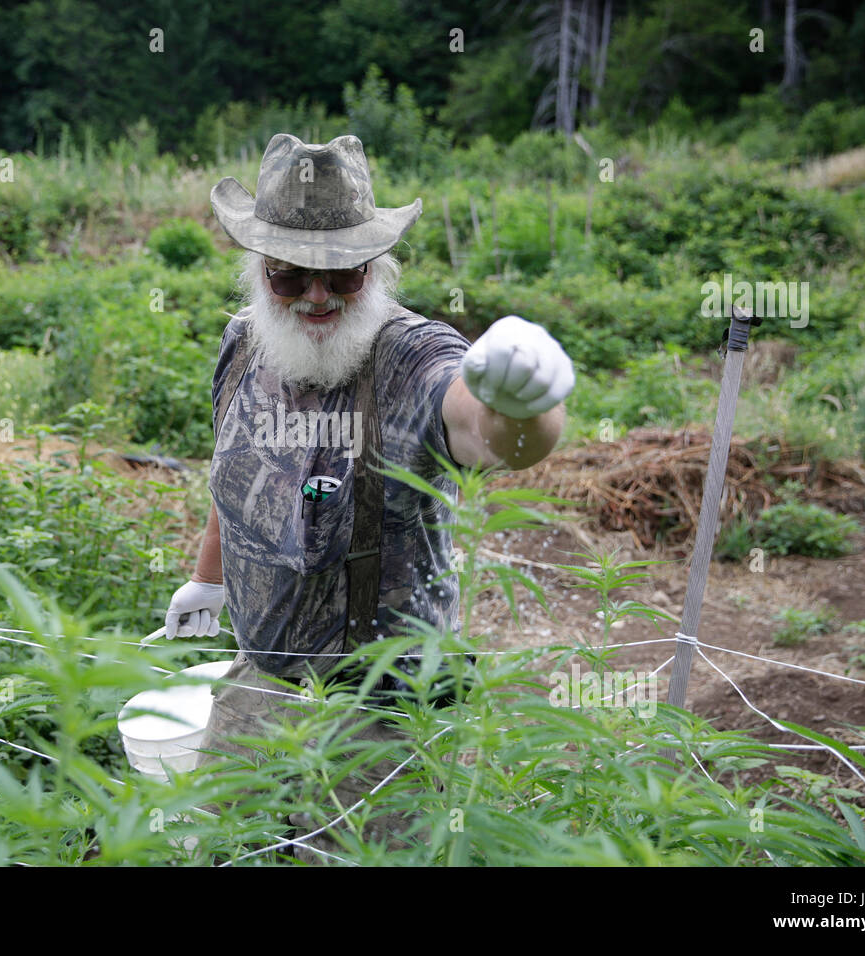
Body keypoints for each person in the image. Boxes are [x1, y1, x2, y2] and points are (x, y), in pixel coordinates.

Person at [164, 133, 574, 862]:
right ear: (259, 273)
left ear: (376, 270)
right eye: (290, 277)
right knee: (223, 850)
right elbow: (239, 470)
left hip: (380, 713)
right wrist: (209, 576)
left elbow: (487, 435)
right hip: (261, 679)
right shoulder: (244, 344)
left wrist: (526, 406)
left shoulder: (409, 358)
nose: (316, 297)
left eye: (342, 277)